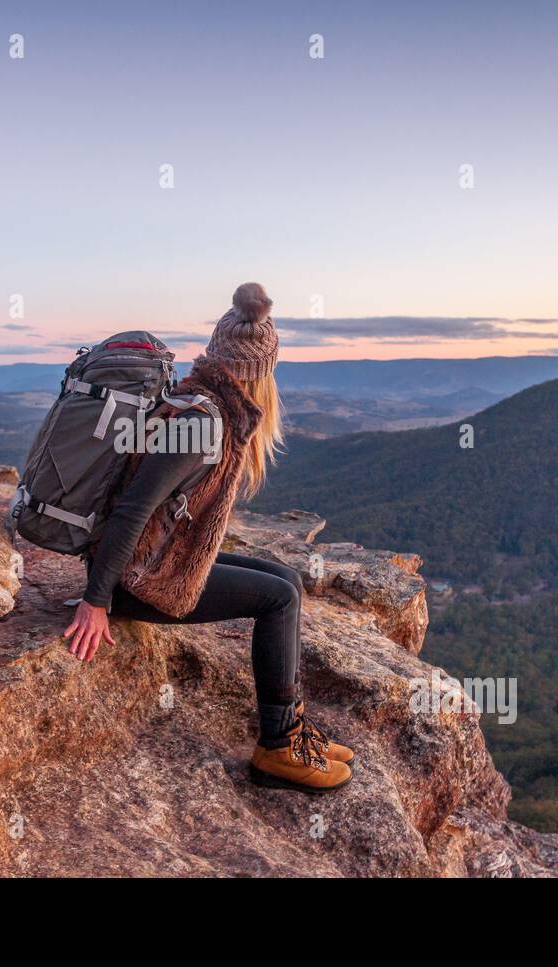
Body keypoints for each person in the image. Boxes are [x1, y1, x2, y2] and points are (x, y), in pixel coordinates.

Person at [62, 282, 353, 792]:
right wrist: (96, 601)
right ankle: (278, 745)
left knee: (285, 578)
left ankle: (292, 724)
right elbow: (134, 509)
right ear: (261, 373)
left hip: (152, 564)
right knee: (279, 598)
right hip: (139, 579)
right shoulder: (203, 422)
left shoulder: (206, 402)